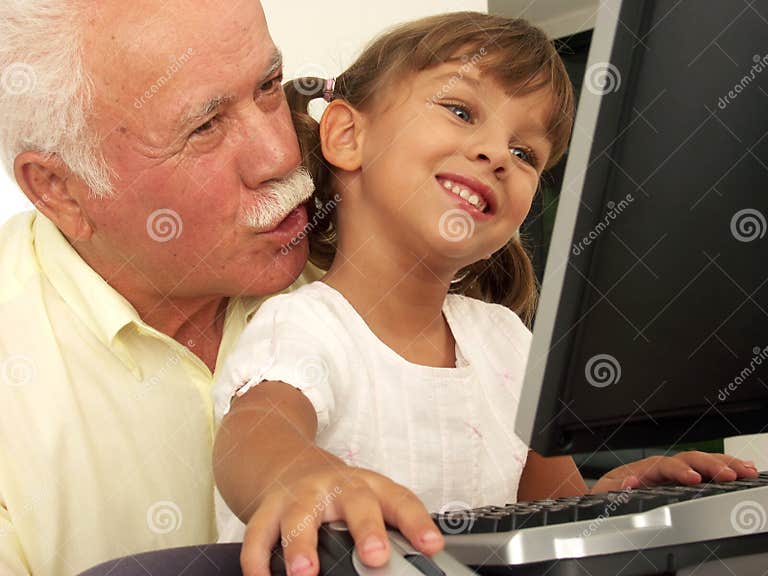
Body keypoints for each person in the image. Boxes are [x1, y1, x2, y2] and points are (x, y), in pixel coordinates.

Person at [211, 12, 760, 576]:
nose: (497, 154)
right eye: (460, 111)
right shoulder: (304, 326)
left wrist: (619, 501)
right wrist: (298, 475)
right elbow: (251, 437)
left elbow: (554, 509)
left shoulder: (505, 341)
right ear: (349, 136)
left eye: (526, 154)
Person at [0, 1, 324, 574]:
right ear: (59, 189)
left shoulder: (372, 268)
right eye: (205, 126)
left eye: (270, 85)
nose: (280, 155)